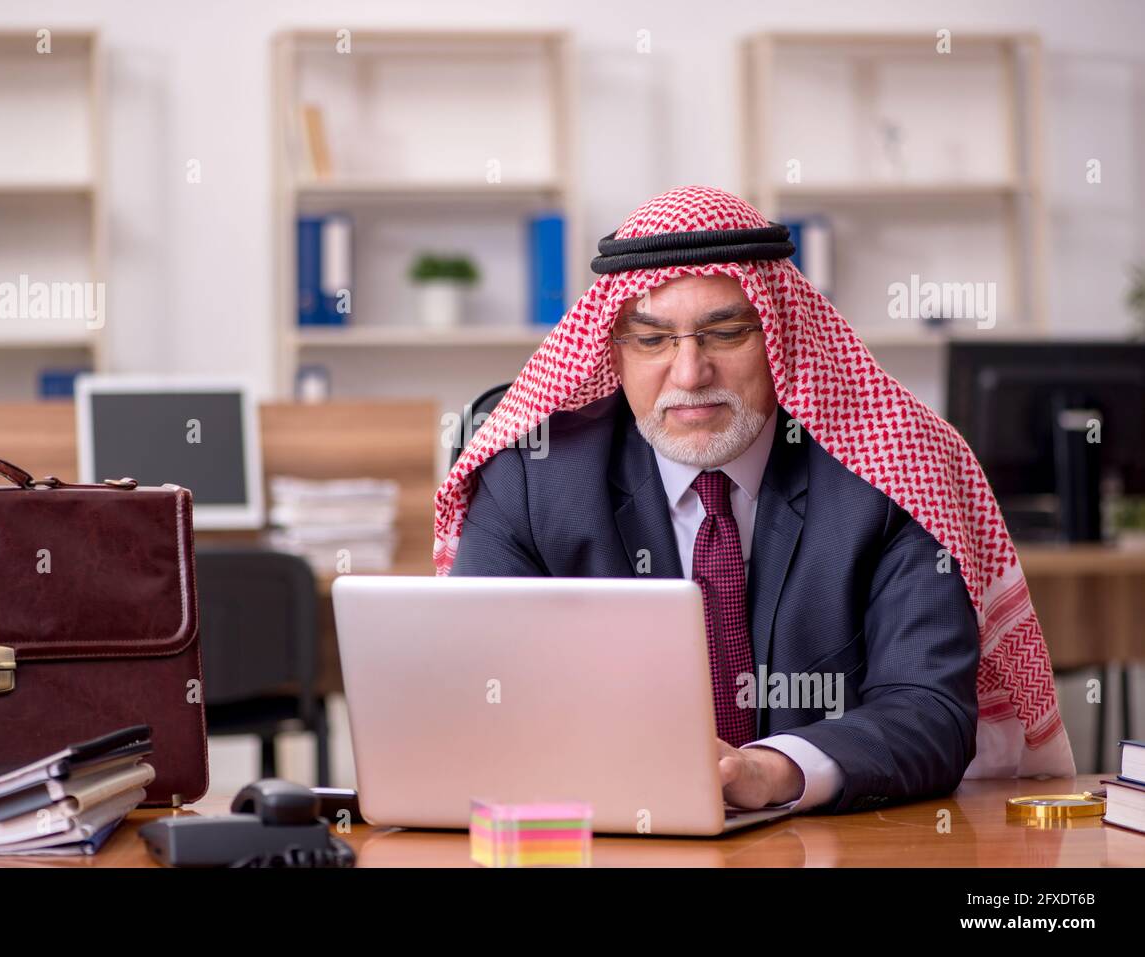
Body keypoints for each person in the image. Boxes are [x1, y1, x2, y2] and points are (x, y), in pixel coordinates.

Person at [433, 185, 1075, 814]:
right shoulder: (532, 476)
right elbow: (481, 698)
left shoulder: (892, 471)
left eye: (725, 333)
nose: (689, 374)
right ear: (613, 352)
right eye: (653, 340)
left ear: (779, 336)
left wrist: (771, 771)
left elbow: (929, 712)